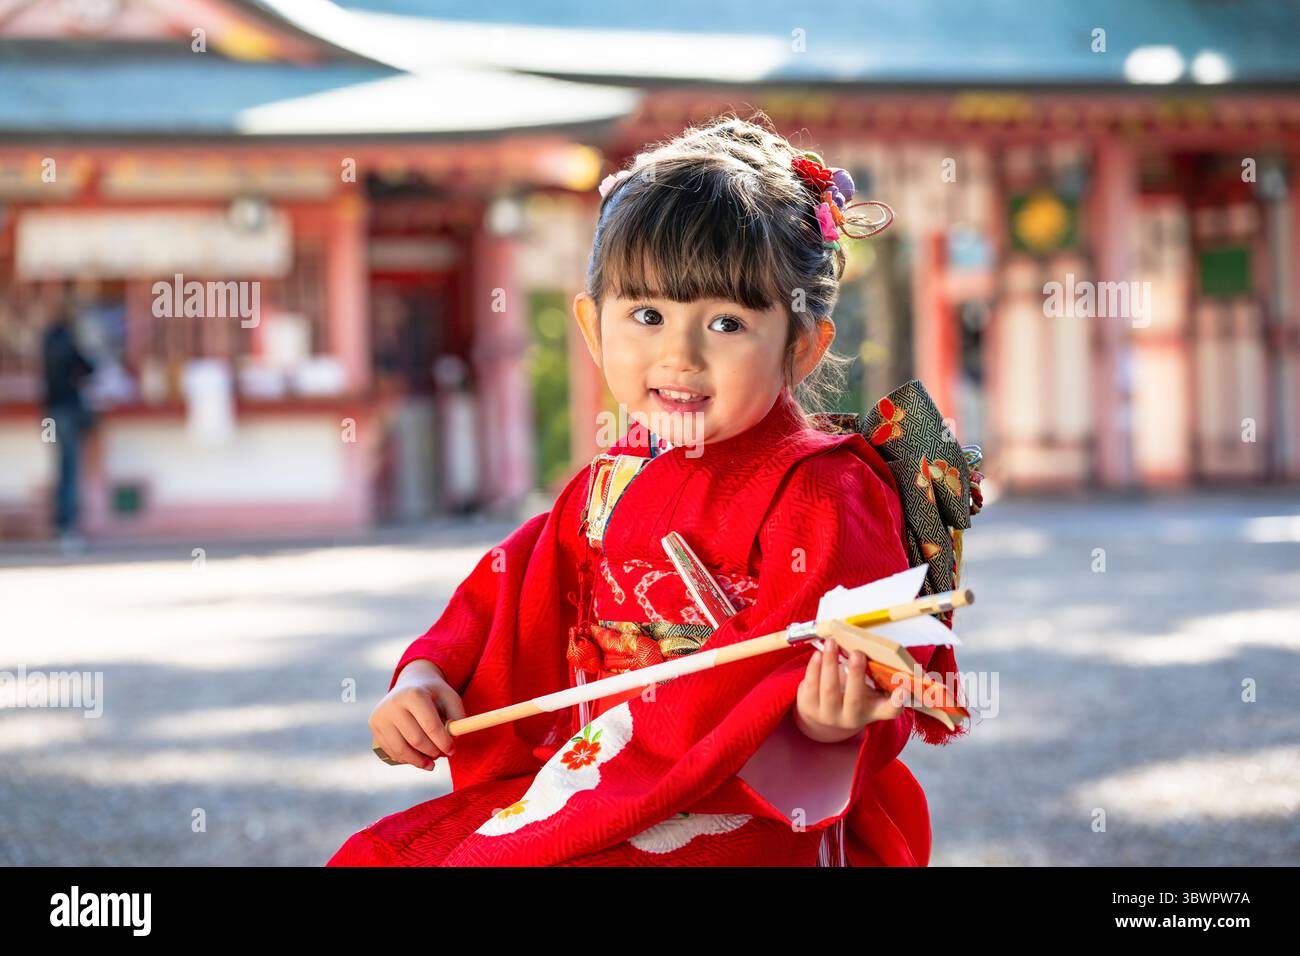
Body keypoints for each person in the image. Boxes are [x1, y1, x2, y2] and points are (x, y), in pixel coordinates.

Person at [328, 116, 968, 867]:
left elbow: (869, 654)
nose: (679, 354)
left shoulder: (824, 489)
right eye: (647, 315)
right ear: (594, 328)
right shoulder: (613, 478)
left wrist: (830, 721)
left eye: (727, 322)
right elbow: (508, 597)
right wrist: (429, 678)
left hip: (740, 802)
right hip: (601, 775)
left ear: (801, 345)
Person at [41, 303, 95, 551]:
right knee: (70, 468)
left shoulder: (46, 342)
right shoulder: (68, 342)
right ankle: (67, 528)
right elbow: (89, 367)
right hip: (66, 412)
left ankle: (59, 526)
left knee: (59, 464)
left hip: (48, 415)